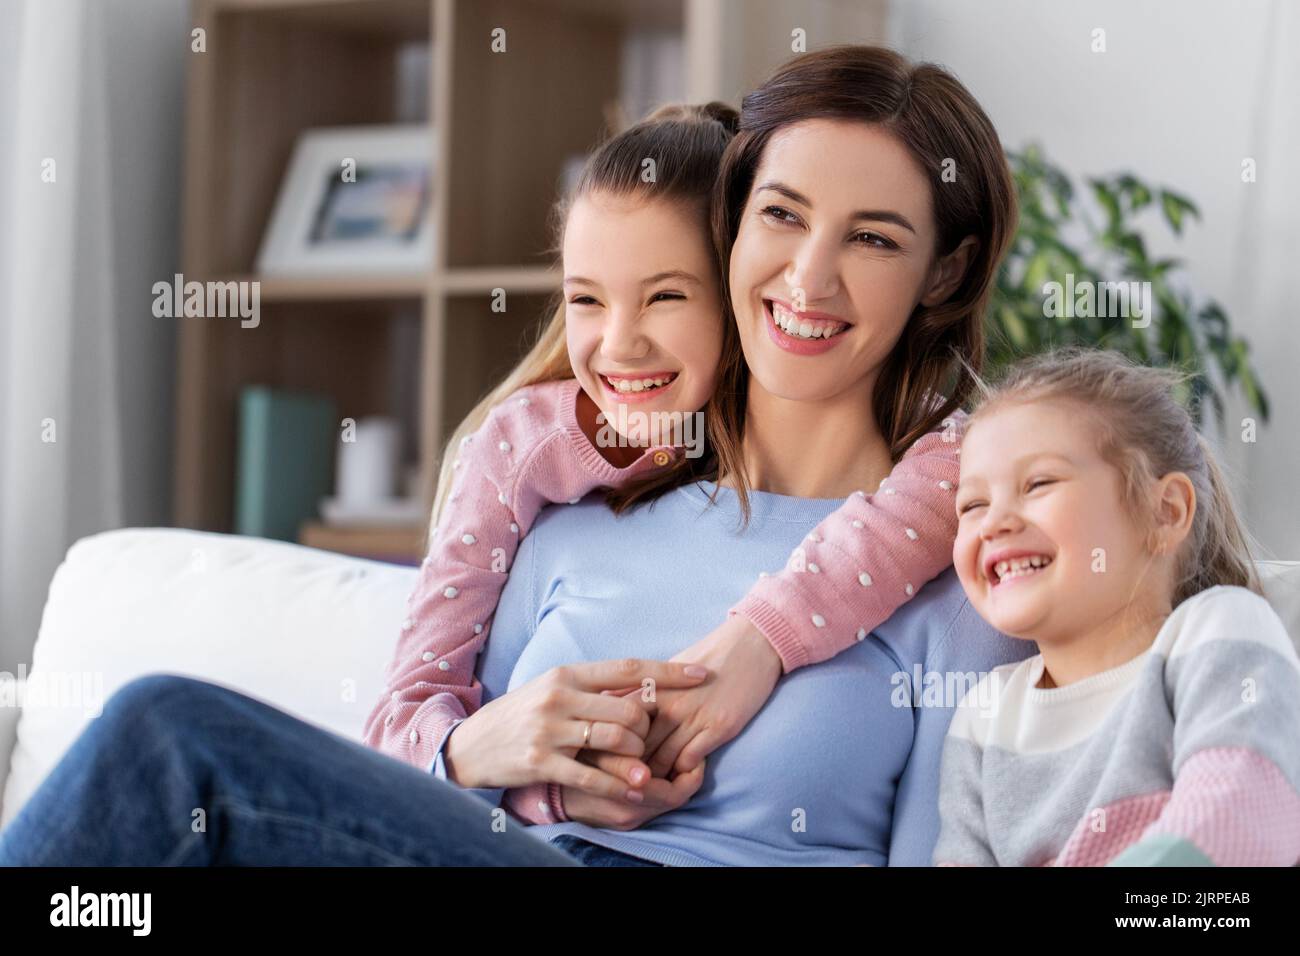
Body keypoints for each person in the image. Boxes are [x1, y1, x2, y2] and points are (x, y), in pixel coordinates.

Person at [0, 44, 1026, 867]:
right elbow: (423, 788)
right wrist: (500, 766)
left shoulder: (957, 574)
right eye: (782, 215)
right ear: (731, 226)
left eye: (874, 239)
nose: (809, 275)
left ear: (944, 271)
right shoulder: (565, 522)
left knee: (169, 737)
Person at [934, 348, 1300, 867]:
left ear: (1164, 512)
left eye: (1038, 484)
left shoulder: (1220, 632)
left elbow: (1240, 818)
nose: (993, 523)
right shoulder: (985, 715)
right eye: (972, 505)